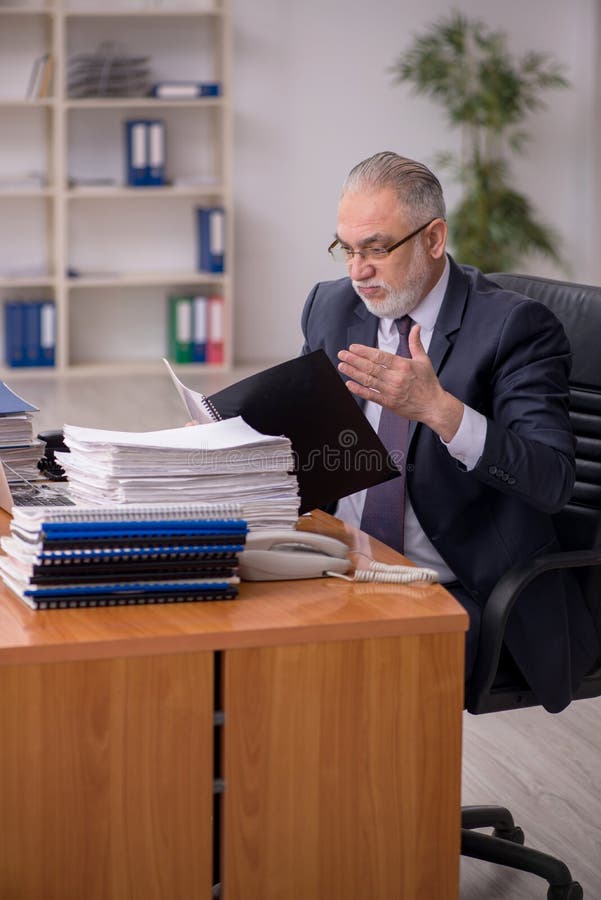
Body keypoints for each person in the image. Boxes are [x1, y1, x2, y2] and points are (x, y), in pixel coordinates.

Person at [301, 150, 599, 713]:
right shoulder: (331, 306)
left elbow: (552, 479)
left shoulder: (515, 328)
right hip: (338, 562)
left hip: (456, 587)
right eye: (348, 249)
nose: (357, 271)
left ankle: (385, 799)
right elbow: (308, 438)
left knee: (340, 670)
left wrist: (441, 411)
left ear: (433, 239)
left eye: (377, 248)